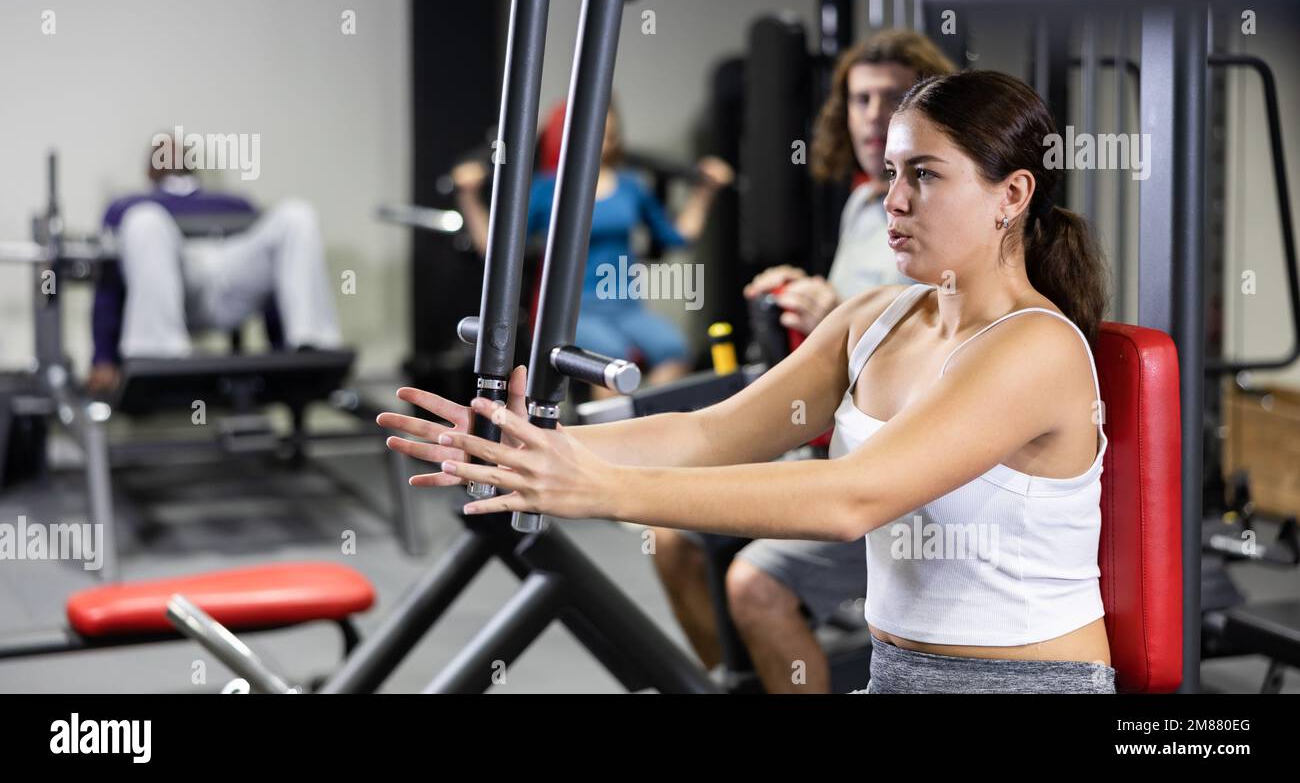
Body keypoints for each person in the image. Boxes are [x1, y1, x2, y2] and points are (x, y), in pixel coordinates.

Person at [380, 70, 1117, 694]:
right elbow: (712, 432)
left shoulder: (1034, 348)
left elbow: (851, 499)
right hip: (895, 673)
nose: (894, 199)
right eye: (892, 173)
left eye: (924, 174)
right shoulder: (876, 318)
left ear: (1012, 194)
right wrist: (534, 443)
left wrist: (600, 489)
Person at [652, 30, 957, 693]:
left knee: (756, 584)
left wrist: (840, 321)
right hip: (835, 445)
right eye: (860, 99)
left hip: (908, 478)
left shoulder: (947, 212)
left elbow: (941, 348)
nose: (875, 116)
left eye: (894, 98)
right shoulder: (860, 206)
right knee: (668, 537)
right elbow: (860, 319)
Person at [452, 104, 733, 396]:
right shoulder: (549, 189)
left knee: (673, 349)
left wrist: (706, 191)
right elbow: (496, 250)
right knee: (612, 361)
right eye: (594, 132)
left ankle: (643, 429)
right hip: (574, 311)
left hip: (626, 306)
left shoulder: (631, 187)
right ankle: (611, 435)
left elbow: (677, 237)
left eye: (609, 134)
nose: (601, 141)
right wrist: (468, 196)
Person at [87, 135, 342, 394]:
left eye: (176, 149)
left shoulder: (234, 203)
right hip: (179, 284)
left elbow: (277, 269)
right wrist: (103, 358)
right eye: (160, 151)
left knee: (296, 215)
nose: (169, 154)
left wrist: (279, 346)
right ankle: (156, 353)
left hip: (229, 275)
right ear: (149, 169)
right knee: (145, 221)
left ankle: (310, 344)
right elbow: (107, 286)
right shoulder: (127, 206)